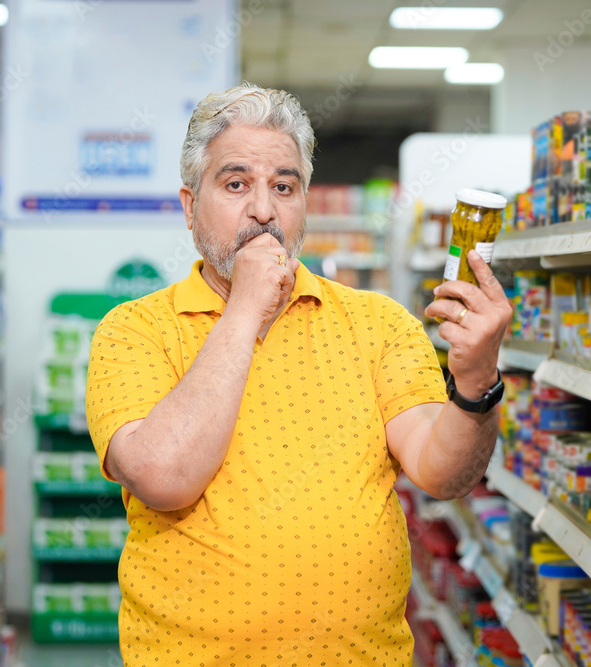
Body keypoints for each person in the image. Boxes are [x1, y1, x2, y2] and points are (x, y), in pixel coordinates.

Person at [85, 82, 512, 666]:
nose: (263, 209)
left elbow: (445, 474)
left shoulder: (379, 322)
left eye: (283, 187)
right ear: (190, 207)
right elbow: (163, 476)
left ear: (303, 201)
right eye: (236, 184)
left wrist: (476, 382)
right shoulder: (134, 329)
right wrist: (244, 309)